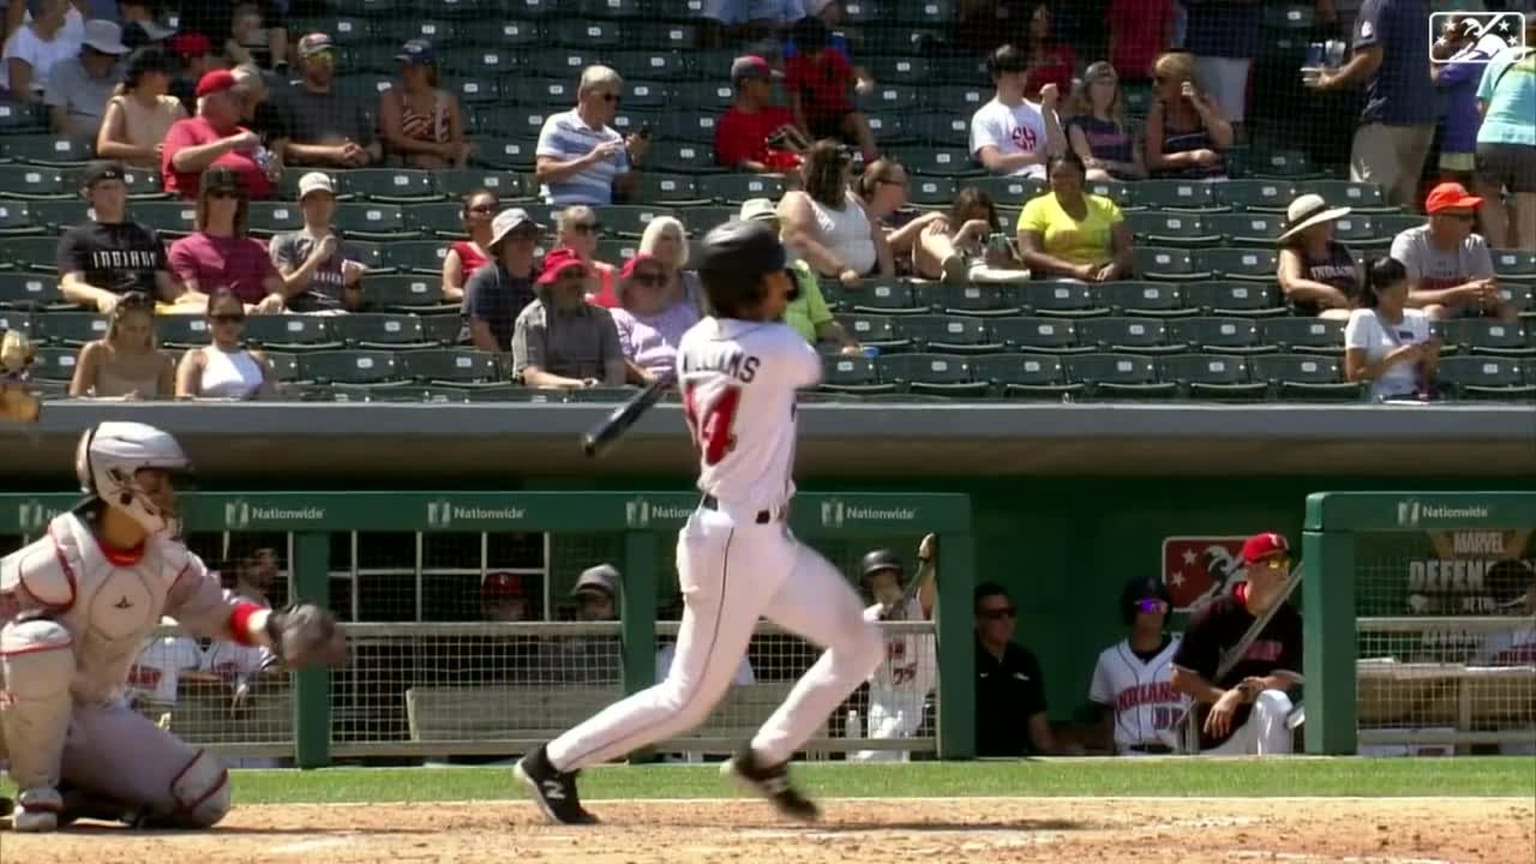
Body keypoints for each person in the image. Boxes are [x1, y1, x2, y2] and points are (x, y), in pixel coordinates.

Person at [513, 220, 884, 825]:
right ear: (747, 287)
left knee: (860, 643)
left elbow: (738, 329)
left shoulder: (694, 341)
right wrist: (780, 296)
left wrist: (758, 293)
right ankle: (553, 762)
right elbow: (808, 360)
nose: (781, 285)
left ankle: (765, 757)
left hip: (763, 540)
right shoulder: (781, 348)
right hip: (735, 539)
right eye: (771, 278)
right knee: (687, 701)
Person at [0, 420, 345, 832]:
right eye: (156, 481)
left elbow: (219, 611)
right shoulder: (56, 559)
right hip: (12, 713)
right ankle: (36, 792)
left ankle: (79, 792)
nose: (169, 495)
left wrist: (274, 626)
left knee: (204, 794)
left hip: (93, 712)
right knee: (37, 642)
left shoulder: (165, 561)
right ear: (117, 482)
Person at [1171, 531, 1303, 755]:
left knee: (1276, 700)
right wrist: (1223, 698)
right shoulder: (1213, 614)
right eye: (1273, 561)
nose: (1282, 569)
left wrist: (1238, 694)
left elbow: (1283, 680)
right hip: (1214, 730)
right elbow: (1180, 679)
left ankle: (1278, 780)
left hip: (1258, 725)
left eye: (1285, 561)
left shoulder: (1290, 620)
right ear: (1250, 568)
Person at [1308, 0, 1437, 209]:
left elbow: (1370, 59)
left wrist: (1330, 81)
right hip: (1421, 117)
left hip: (1386, 117)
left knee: (1368, 202)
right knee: (1401, 205)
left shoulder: (1377, 4)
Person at [850, 536, 937, 763]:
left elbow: (926, 591)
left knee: (897, 748)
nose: (885, 590)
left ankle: (857, 766)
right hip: (880, 699)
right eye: (878, 585)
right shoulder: (867, 618)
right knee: (883, 765)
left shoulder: (917, 608)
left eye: (889, 583)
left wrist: (926, 561)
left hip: (916, 696)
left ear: (900, 582)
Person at [737, 197, 860, 354]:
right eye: (762, 227)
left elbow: (822, 322)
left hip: (807, 350)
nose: (771, 232)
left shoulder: (800, 269)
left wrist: (847, 342)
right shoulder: (737, 275)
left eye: (774, 226)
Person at [57, 160, 183, 311]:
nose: (113, 194)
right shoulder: (77, 238)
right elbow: (71, 286)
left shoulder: (147, 236)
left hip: (150, 310)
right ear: (89, 194)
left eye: (117, 187)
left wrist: (202, 300)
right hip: (110, 311)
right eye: (105, 188)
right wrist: (101, 296)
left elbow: (167, 288)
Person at [1088, 577, 1188, 756]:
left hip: (1178, 754)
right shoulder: (1109, 660)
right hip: (1129, 755)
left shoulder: (1185, 654)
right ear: (1131, 610)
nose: (1156, 612)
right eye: (1148, 605)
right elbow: (1106, 712)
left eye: (1161, 606)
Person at [167, 166, 284, 311]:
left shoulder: (256, 248)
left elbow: (276, 289)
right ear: (205, 200)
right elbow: (188, 296)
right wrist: (236, 308)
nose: (227, 201)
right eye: (218, 195)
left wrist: (274, 299)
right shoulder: (184, 249)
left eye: (233, 195)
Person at [1390, 182, 1510, 320]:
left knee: (1507, 309)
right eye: (1464, 218)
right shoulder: (1410, 243)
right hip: (1419, 320)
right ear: (1440, 219)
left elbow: (1487, 293)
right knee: (1434, 311)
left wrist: (1489, 297)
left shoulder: (1475, 244)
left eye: (1473, 216)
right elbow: (1403, 298)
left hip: (1467, 316)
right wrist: (1459, 293)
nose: (1472, 223)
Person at [511, 249, 626, 390]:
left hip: (600, 401)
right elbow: (532, 376)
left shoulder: (602, 318)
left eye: (580, 275)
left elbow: (616, 369)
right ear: (550, 284)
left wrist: (606, 390)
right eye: (567, 276)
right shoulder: (531, 320)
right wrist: (579, 386)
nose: (576, 282)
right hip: (551, 404)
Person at [534, 64, 648, 206]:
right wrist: (590, 159)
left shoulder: (614, 139)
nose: (613, 104)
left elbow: (623, 193)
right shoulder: (559, 124)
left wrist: (636, 159)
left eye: (617, 99)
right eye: (607, 97)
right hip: (563, 213)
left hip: (599, 219)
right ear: (583, 94)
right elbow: (544, 173)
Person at [777, 140, 889, 281]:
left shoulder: (854, 199)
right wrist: (841, 270)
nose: (849, 179)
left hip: (867, 281)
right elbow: (799, 241)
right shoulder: (798, 200)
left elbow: (878, 237)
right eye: (844, 175)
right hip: (827, 283)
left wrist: (888, 275)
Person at [160, 68, 275, 200]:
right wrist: (232, 143)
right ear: (211, 101)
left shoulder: (243, 133)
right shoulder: (185, 128)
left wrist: (270, 168)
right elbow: (181, 162)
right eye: (234, 99)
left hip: (255, 208)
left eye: (242, 100)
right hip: (200, 210)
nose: (240, 105)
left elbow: (267, 171)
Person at [1018, 152, 1135, 282]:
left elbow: (1125, 250)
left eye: (1069, 175)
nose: (1064, 181)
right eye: (1057, 176)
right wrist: (1074, 269)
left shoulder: (1105, 206)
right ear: (1048, 179)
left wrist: (1114, 268)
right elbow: (1028, 254)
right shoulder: (1035, 207)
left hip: (1104, 276)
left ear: (1081, 176)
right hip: (1058, 278)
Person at [1474, 17, 1536, 251]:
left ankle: (1500, 253)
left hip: (1492, 138)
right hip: (1532, 143)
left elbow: (1482, 106)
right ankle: (1528, 268)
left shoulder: (1501, 57)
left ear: (1520, 33)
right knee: (1529, 207)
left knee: (1487, 195)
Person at [974, 581, 1057, 757]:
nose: (1006, 621)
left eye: (1010, 613)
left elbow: (1039, 731)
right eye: (996, 615)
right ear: (977, 620)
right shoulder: (964, 659)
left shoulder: (1025, 660)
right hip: (975, 757)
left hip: (1020, 758)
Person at [1344, 256, 1440, 402]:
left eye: (1404, 292)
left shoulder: (1419, 319)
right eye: (1393, 295)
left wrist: (1431, 358)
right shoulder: (1363, 318)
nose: (1401, 299)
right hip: (1377, 398)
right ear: (1376, 291)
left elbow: (1426, 376)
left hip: (1413, 396)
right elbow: (1354, 375)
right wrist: (1394, 358)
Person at [268, 172, 365, 314]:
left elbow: (354, 305)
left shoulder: (349, 249)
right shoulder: (284, 242)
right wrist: (317, 257)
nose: (320, 205)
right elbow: (285, 290)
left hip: (337, 316)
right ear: (301, 204)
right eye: (312, 199)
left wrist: (351, 284)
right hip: (298, 314)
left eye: (326, 199)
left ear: (333, 204)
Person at [784, 15, 876, 163]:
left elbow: (856, 73)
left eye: (818, 51)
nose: (815, 56)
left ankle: (872, 163)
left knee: (858, 119)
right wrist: (809, 141)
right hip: (813, 123)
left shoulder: (834, 57)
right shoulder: (795, 67)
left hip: (838, 119)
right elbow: (797, 110)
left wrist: (862, 82)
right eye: (810, 52)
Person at [280, 33, 379, 169]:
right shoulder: (286, 98)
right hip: (311, 174)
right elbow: (282, 149)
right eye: (319, 56)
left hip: (355, 172)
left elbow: (375, 145)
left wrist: (366, 155)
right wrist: (332, 153)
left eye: (330, 56)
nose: (326, 62)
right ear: (303, 61)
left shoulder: (350, 97)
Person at [971, 43, 1065, 180]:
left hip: (1050, 180)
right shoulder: (984, 116)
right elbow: (993, 162)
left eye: (1022, 70)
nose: (1019, 76)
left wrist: (1048, 112)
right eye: (1011, 71)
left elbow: (1060, 154)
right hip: (1010, 182)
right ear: (996, 77)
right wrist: (1037, 157)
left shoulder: (1043, 112)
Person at [378, 39, 470, 170]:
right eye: (404, 67)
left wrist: (448, 151)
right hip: (404, 165)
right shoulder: (391, 97)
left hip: (440, 166)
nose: (407, 74)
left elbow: (456, 142)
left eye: (414, 69)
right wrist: (437, 148)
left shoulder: (448, 100)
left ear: (429, 70)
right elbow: (394, 139)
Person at [610, 253, 700, 385]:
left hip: (687, 384)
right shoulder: (618, 317)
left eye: (661, 279)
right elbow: (620, 359)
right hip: (643, 391)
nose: (655, 285)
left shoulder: (685, 312)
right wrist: (646, 377)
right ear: (628, 284)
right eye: (647, 280)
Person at [463, 207, 542, 356]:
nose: (524, 241)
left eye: (529, 234)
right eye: (515, 236)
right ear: (500, 245)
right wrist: (506, 366)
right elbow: (480, 330)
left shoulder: (543, 281)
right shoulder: (483, 280)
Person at [174, 287, 276, 400]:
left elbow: (275, 400)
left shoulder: (258, 359)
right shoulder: (196, 358)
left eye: (236, 318)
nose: (230, 325)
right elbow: (182, 401)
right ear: (209, 319)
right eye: (222, 318)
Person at [67, 290, 172, 399]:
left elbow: (168, 406)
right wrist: (118, 401)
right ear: (117, 324)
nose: (138, 335)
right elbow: (77, 397)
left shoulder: (163, 360)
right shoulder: (96, 352)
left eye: (144, 329)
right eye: (131, 329)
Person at [1145, 51, 1230, 180]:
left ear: (1181, 82)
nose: (1155, 85)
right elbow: (1153, 161)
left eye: (1162, 80)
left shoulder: (1206, 103)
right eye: (1154, 79)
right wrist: (1191, 157)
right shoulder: (1159, 112)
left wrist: (1198, 105)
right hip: (1180, 186)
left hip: (1216, 181)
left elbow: (1225, 142)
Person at [95, 46, 184, 169]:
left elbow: (189, 138)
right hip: (134, 177)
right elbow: (104, 147)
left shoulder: (174, 105)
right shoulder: (121, 105)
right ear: (147, 75)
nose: (169, 79)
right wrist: (148, 152)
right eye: (164, 74)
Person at [916, 186, 1028, 283]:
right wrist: (966, 231)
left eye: (982, 217)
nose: (976, 222)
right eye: (969, 217)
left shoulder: (998, 240)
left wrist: (1004, 262)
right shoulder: (944, 235)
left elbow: (1023, 271)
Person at [715, 54, 805, 173]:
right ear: (746, 84)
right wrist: (784, 171)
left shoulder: (780, 115)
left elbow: (804, 152)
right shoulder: (729, 124)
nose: (770, 87)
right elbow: (742, 165)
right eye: (765, 82)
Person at [1277, 193, 1361, 319]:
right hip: (1313, 315)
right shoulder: (1293, 252)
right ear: (1306, 229)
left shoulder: (1341, 249)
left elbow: (1358, 285)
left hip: (1351, 309)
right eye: (1321, 222)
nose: (1328, 224)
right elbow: (1290, 285)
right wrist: (1331, 293)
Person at [43, 18, 127, 138]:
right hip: (77, 145)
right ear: (84, 49)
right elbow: (58, 119)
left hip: (116, 145)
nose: (104, 59)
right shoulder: (62, 70)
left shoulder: (123, 74)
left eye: (111, 55)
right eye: (98, 53)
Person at [1067, 61, 1147, 182]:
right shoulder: (1078, 125)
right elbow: (1087, 164)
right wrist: (1119, 166)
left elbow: (1140, 170)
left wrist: (1109, 164)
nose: (1106, 89)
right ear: (1088, 89)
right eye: (1100, 84)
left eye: (1110, 84)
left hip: (1129, 183)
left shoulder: (1128, 126)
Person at [0, 0, 78, 102]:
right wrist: (51, 106)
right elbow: (18, 88)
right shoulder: (22, 38)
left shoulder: (64, 40)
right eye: (64, 3)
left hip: (60, 100)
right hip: (31, 104)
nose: (69, 8)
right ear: (47, 6)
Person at [442, 188, 500, 305]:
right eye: (481, 209)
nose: (488, 214)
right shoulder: (460, 251)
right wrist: (480, 295)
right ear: (468, 218)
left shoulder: (510, 248)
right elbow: (449, 290)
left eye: (493, 208)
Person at [554, 205, 618, 307]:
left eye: (594, 228)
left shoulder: (610, 274)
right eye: (581, 229)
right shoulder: (552, 275)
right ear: (563, 235)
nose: (590, 234)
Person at [1016, 2, 1075, 101]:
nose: (1044, 23)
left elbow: (1067, 88)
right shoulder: (1015, 54)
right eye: (1038, 18)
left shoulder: (1062, 52)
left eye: (1047, 17)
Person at [637, 215, 700, 309]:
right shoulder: (633, 282)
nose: (673, 245)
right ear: (651, 241)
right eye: (665, 239)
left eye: (678, 239)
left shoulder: (694, 283)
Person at [1107, 0, 1176, 84]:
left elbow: (1115, 34)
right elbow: (1166, 36)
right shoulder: (1163, 2)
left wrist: (1111, 65)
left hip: (1124, 63)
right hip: (1151, 64)